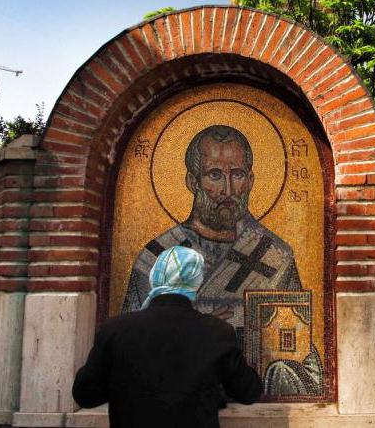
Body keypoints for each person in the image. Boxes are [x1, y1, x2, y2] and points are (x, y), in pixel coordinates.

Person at [120, 125, 323, 397]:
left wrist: (276, 369)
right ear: (193, 181)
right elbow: (132, 352)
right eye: (214, 175)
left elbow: (304, 367)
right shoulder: (157, 257)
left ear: (250, 180)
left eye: (237, 174)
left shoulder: (274, 256)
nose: (228, 189)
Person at [73, 246, 262, 428]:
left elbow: (85, 395)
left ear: (155, 277)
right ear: (196, 282)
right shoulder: (217, 332)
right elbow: (248, 391)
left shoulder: (115, 329)